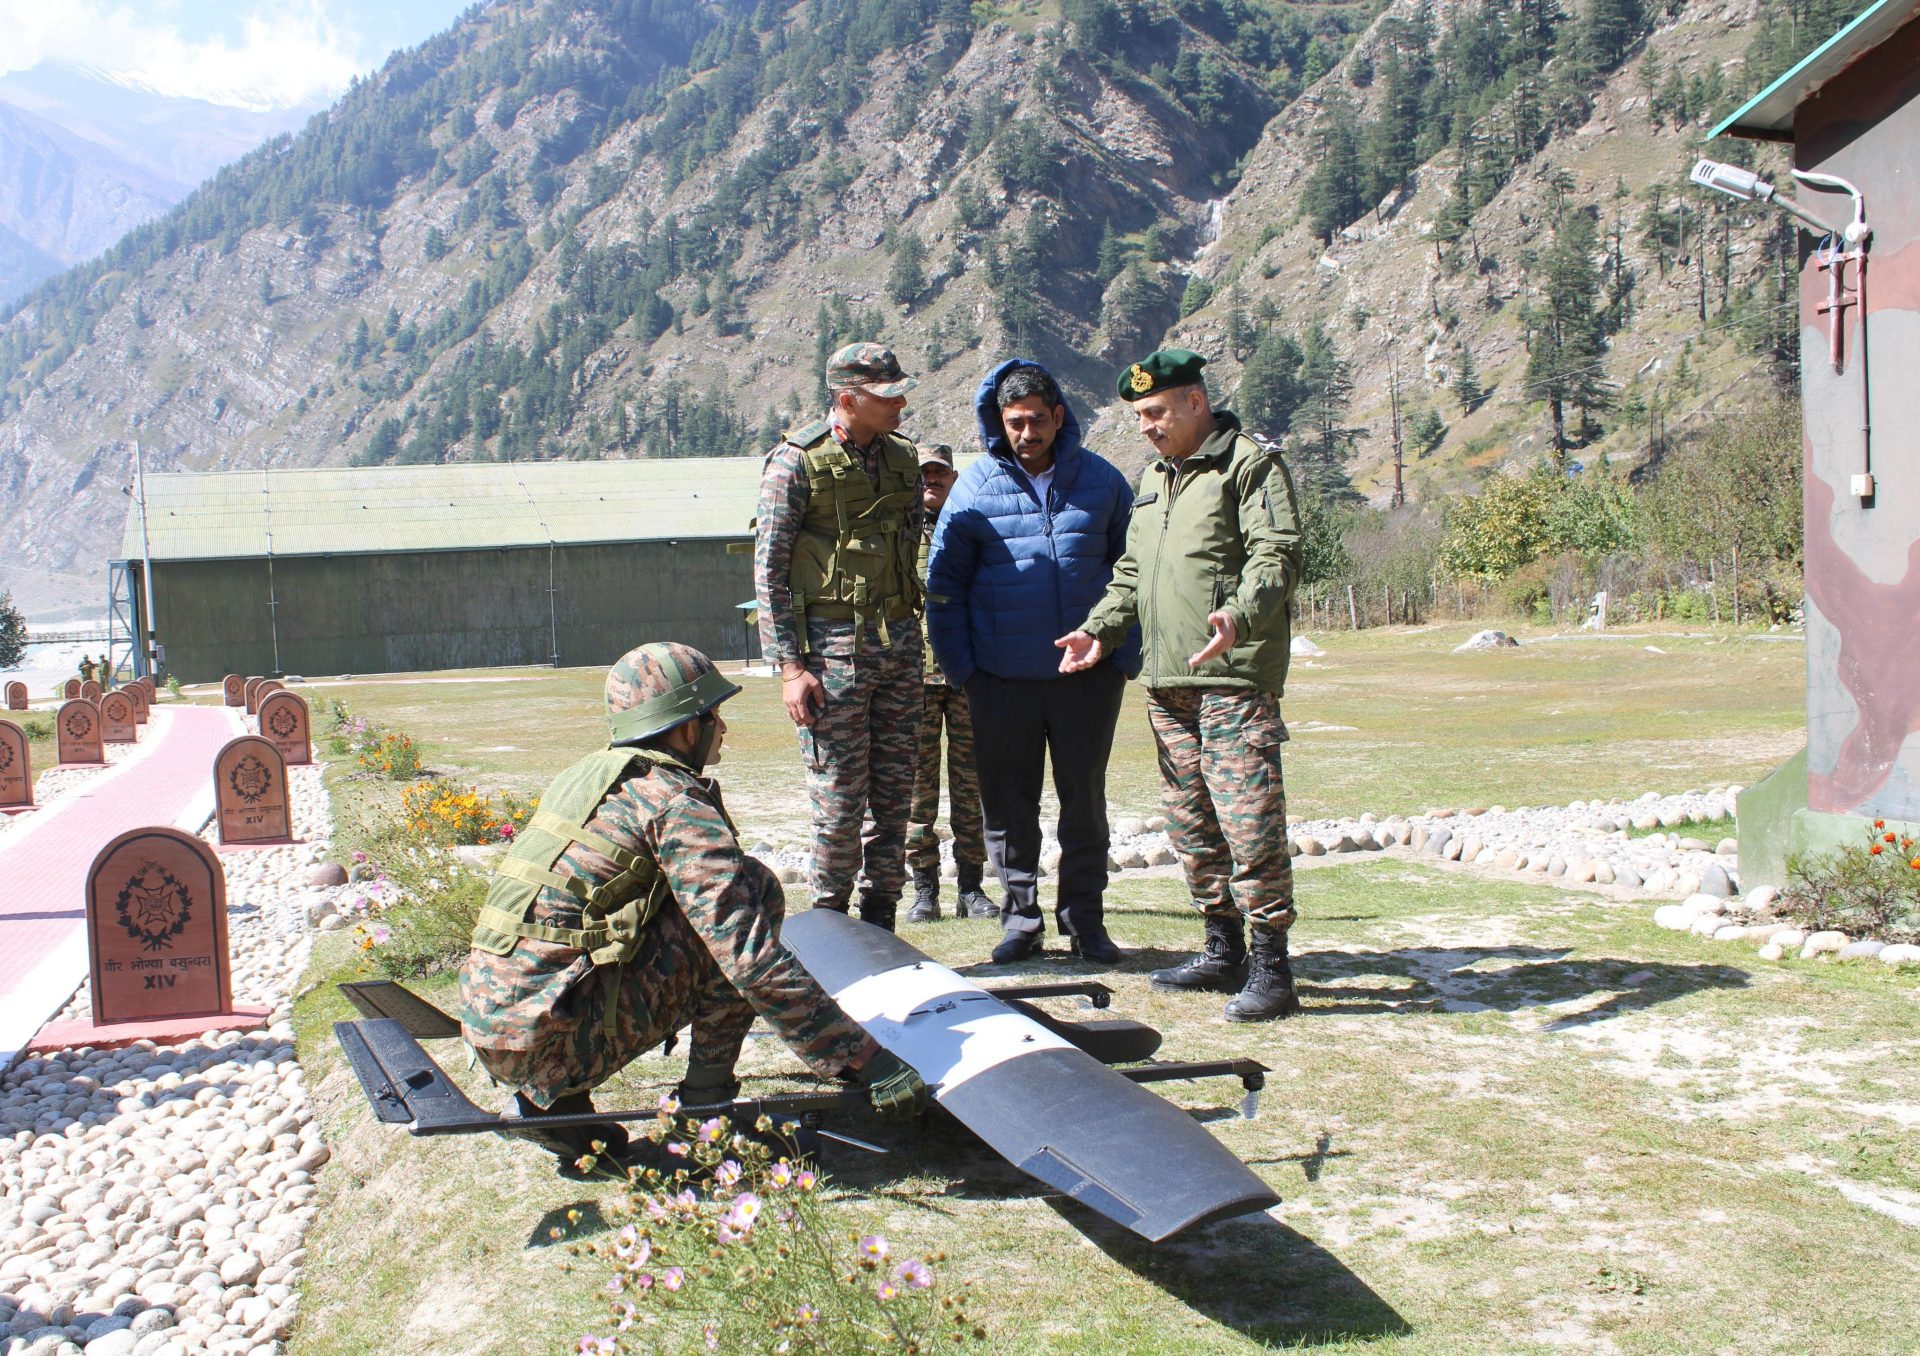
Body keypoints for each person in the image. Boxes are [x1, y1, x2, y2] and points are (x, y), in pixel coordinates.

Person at [459, 642, 928, 1173]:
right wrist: (862, 1057)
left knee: (716, 911)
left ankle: (558, 1102)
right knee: (754, 890)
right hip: (551, 1034)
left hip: (496, 1023)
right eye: (714, 716)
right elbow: (746, 953)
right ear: (687, 728)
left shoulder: (589, 777)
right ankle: (708, 1116)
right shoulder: (673, 800)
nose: (723, 729)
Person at [1056, 349, 1305, 1021]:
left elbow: (1276, 555)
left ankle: (1272, 966)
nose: (1147, 426)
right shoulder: (1156, 479)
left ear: (1197, 402)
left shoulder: (1248, 465)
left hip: (1232, 677)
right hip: (1167, 681)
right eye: (1139, 416)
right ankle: (1222, 950)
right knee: (1192, 824)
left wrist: (1238, 615)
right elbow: (1133, 572)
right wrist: (1100, 630)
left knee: (1247, 822)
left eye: (1157, 412)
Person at [927, 360, 1139, 965]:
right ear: (999, 422)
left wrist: (1120, 656)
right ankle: (1020, 919)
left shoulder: (1102, 482)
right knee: (1007, 804)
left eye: (1037, 421)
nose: (1026, 434)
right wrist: (964, 671)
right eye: (1014, 423)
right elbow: (944, 588)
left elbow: (1135, 570)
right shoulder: (972, 489)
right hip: (999, 680)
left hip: (1087, 679)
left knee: (1084, 802)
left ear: (1059, 417)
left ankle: (1085, 923)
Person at [754, 343, 925, 932]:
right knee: (838, 800)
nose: (899, 402)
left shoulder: (905, 459)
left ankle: (881, 923)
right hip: (831, 655)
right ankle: (828, 925)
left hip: (900, 647)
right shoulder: (795, 462)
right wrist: (789, 667)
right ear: (847, 399)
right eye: (885, 395)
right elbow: (769, 567)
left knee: (896, 792)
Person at [906, 444, 994, 923]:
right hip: (913, 680)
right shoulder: (896, 531)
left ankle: (972, 887)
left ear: (954, 478)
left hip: (965, 676)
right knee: (918, 793)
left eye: (939, 474)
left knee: (971, 787)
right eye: (924, 475)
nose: (931, 482)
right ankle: (923, 890)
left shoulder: (970, 531)